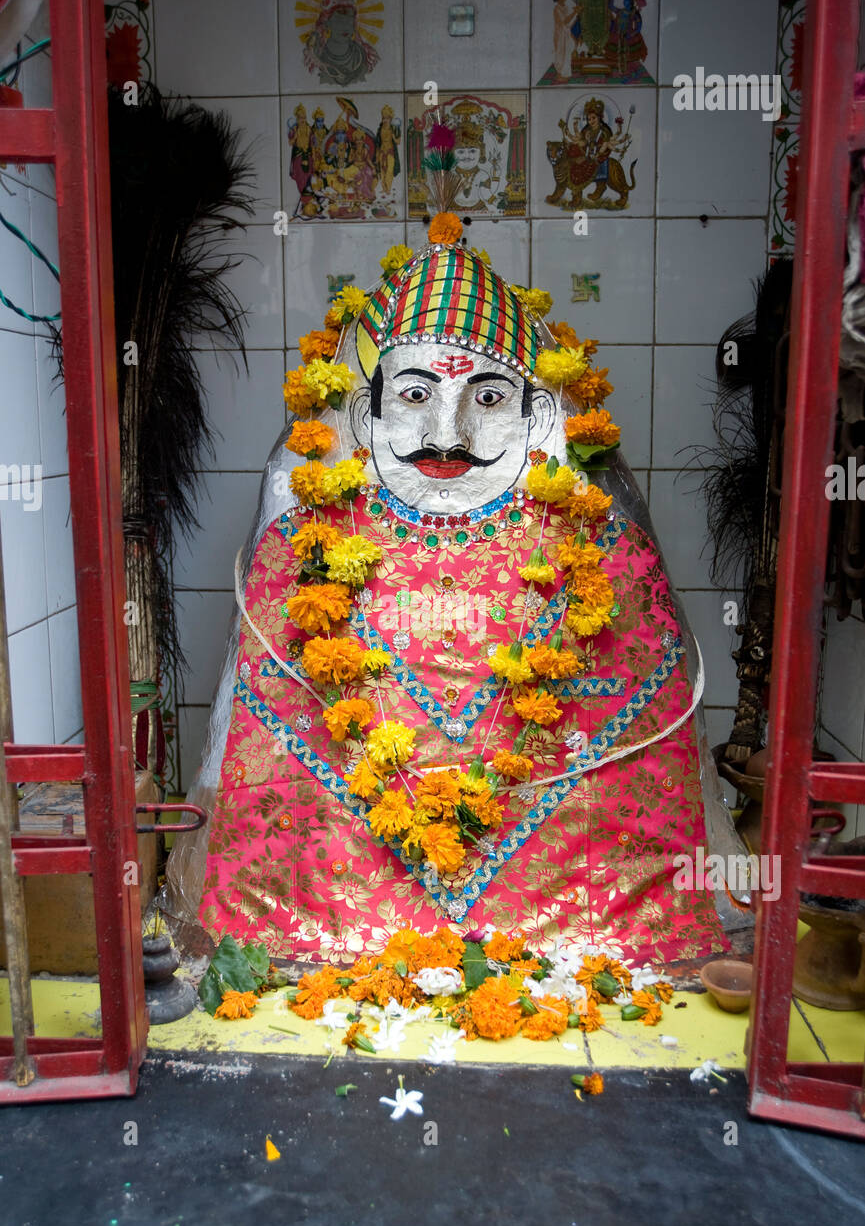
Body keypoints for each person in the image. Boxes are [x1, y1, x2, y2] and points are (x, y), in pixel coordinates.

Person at [175, 217, 732, 968]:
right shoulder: (304, 540)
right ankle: (341, 926)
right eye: (413, 394)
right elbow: (266, 761)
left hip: (556, 885)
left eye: (489, 399)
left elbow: (640, 760)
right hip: (341, 876)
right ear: (363, 411)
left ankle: (553, 934)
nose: (446, 435)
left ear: (538, 416)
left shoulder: (592, 537)